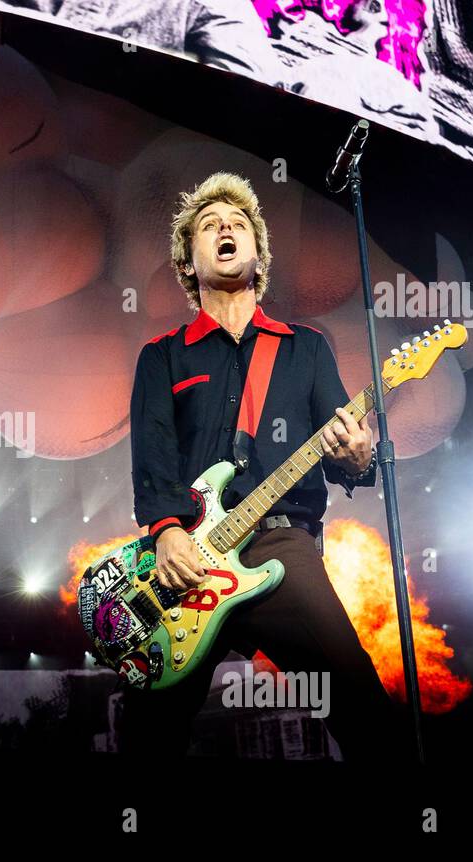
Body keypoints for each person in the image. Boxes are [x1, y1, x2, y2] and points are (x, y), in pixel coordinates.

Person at [118, 170, 406, 763]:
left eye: (238, 223)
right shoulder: (162, 357)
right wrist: (166, 531)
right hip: (186, 559)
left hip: (281, 544)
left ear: (258, 254)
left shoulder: (307, 347)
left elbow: (346, 455)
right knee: (150, 735)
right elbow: (153, 453)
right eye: (209, 225)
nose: (225, 229)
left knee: (362, 705)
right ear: (188, 261)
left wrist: (358, 456)